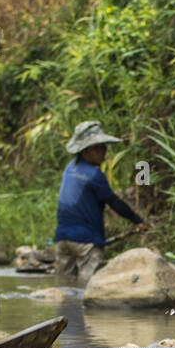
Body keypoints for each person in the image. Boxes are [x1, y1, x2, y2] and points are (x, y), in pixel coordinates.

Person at [53, 120, 146, 285]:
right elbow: (115, 203)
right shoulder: (95, 176)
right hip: (86, 241)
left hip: (62, 239)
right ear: (87, 150)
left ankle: (64, 311)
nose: (105, 151)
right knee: (88, 289)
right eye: (100, 147)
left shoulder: (69, 169)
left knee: (65, 288)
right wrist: (138, 220)